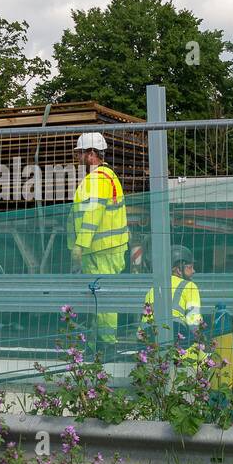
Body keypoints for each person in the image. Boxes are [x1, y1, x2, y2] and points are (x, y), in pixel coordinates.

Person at [70, 132, 128, 352]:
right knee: (99, 297)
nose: (78, 158)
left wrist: (80, 245)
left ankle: (107, 345)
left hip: (100, 249)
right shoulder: (106, 176)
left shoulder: (97, 179)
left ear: (91, 154)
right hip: (106, 247)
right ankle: (99, 344)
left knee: (102, 298)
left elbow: (92, 215)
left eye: (80, 153)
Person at [142, 245, 206, 364]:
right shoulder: (189, 286)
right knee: (201, 357)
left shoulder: (153, 289)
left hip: (152, 342)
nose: (193, 271)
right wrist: (202, 339)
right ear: (178, 270)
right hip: (178, 338)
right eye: (190, 267)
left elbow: (144, 325)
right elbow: (193, 321)